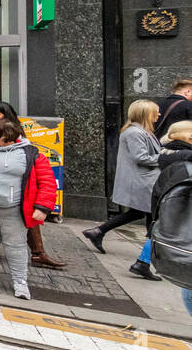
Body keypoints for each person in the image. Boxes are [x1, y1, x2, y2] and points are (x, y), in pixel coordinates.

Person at [0, 118, 57, 300]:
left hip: (12, 209)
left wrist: (43, 207)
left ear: (4, 135)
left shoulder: (30, 154)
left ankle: (20, 282)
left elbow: (47, 182)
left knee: (16, 245)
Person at [82, 100, 161, 263]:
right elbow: (141, 158)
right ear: (145, 114)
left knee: (142, 214)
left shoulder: (140, 131)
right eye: (156, 111)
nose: (159, 114)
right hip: (143, 182)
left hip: (143, 181)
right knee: (152, 217)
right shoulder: (135, 133)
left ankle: (98, 231)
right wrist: (165, 157)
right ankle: (146, 259)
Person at [140, 120, 192, 281]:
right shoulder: (185, 154)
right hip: (176, 199)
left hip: (163, 194)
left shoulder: (168, 151)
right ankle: (143, 262)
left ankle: (142, 262)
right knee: (163, 231)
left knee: (157, 229)